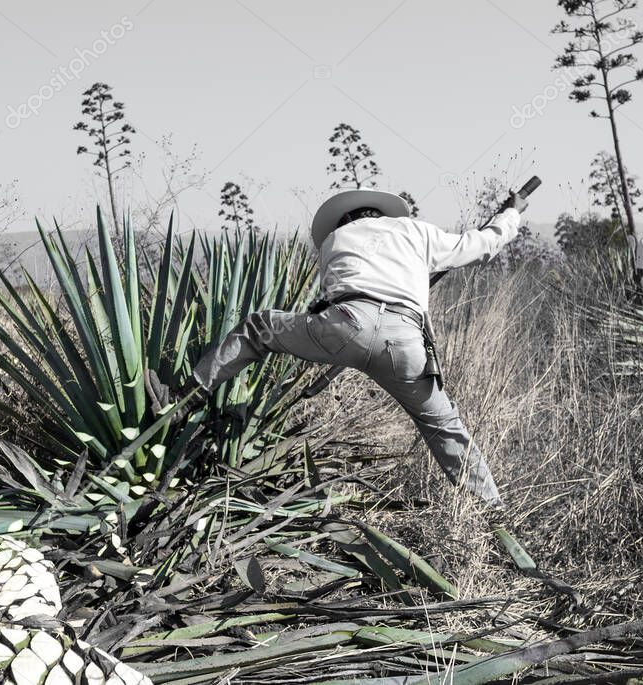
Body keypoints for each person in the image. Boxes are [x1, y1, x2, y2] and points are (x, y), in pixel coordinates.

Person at [146, 187, 527, 510]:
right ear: (380, 213)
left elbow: (336, 295)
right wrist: (509, 216)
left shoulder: (334, 240)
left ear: (347, 220)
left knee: (257, 329)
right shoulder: (415, 231)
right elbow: (478, 245)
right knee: (445, 429)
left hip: (344, 326)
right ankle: (493, 513)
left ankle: (186, 397)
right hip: (406, 342)